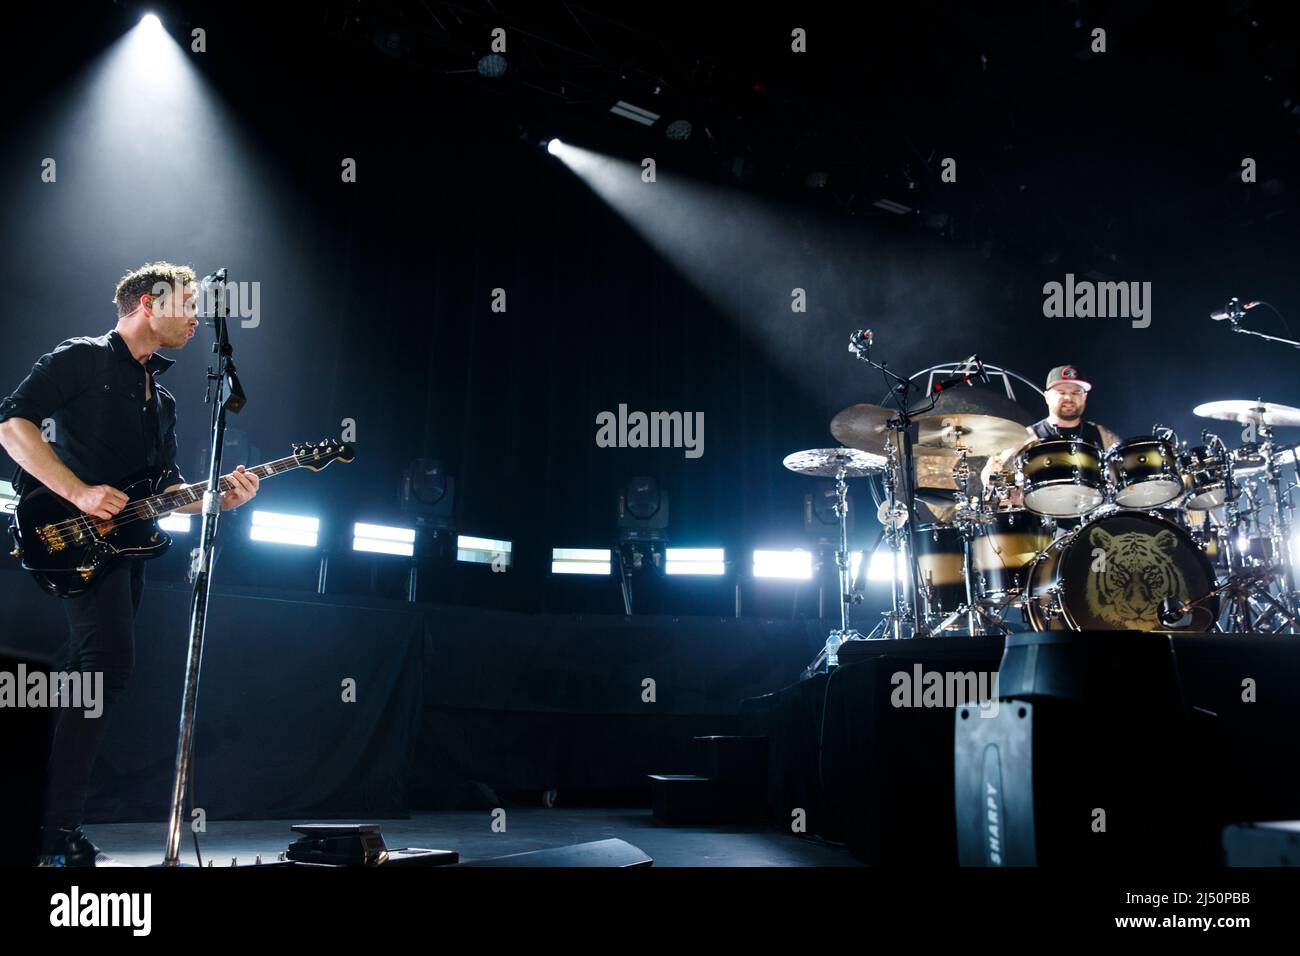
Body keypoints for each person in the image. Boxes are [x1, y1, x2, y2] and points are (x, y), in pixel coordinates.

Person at [0, 262, 260, 866]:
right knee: (106, 666)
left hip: (123, 551)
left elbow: (164, 493)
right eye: (189, 305)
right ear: (150, 303)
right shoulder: (82, 357)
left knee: (85, 677)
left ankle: (45, 821)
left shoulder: (162, 400)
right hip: (69, 533)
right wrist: (80, 493)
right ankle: (55, 832)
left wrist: (219, 497)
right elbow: (13, 427)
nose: (198, 319)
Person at [980, 365, 1121, 496]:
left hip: (1092, 517)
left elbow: (1123, 479)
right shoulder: (1027, 437)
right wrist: (1009, 487)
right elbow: (989, 478)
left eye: (1076, 392)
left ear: (1084, 397)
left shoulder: (1103, 436)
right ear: (1047, 397)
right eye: (1061, 392)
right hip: (1043, 518)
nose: (1068, 398)